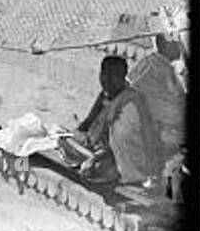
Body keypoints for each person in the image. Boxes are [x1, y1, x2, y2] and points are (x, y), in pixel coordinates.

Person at [62, 56, 163, 186]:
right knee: (61, 137)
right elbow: (89, 121)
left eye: (113, 76)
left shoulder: (131, 102)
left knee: (97, 169)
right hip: (96, 147)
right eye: (104, 74)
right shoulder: (105, 94)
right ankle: (87, 158)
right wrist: (76, 134)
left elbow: (123, 139)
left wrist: (95, 156)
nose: (107, 80)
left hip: (121, 157)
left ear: (123, 77)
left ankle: (90, 160)